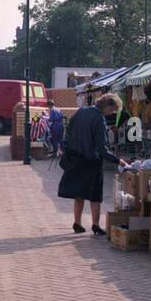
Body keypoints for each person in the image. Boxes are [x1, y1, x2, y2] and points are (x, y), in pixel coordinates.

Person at [57, 93, 123, 236]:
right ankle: (95, 224)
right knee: (95, 195)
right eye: (112, 111)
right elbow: (101, 148)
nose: (111, 114)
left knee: (78, 193)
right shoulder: (99, 119)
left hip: (75, 158)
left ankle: (77, 222)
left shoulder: (81, 111)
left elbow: (68, 132)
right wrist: (118, 160)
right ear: (108, 106)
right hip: (91, 161)